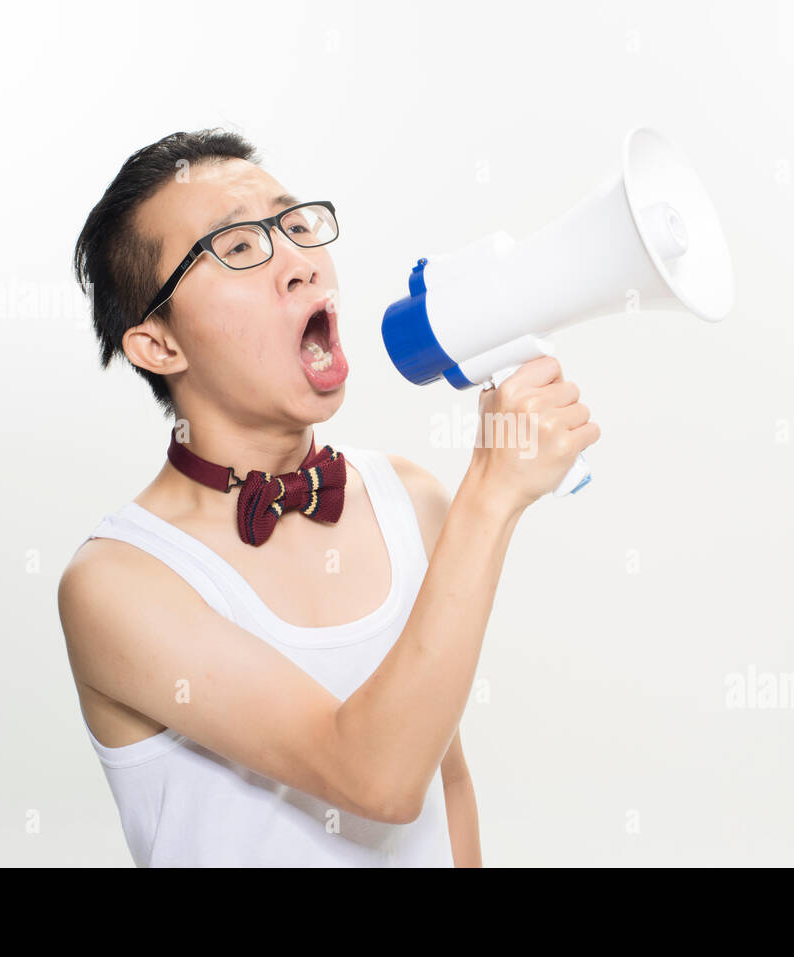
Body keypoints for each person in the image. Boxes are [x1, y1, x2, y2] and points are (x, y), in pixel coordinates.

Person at [58, 129, 599, 867]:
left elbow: (447, 780)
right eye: (239, 247)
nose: (296, 262)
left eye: (295, 224)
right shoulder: (116, 584)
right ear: (157, 344)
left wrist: (478, 497)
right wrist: (495, 492)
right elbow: (376, 778)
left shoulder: (412, 500)